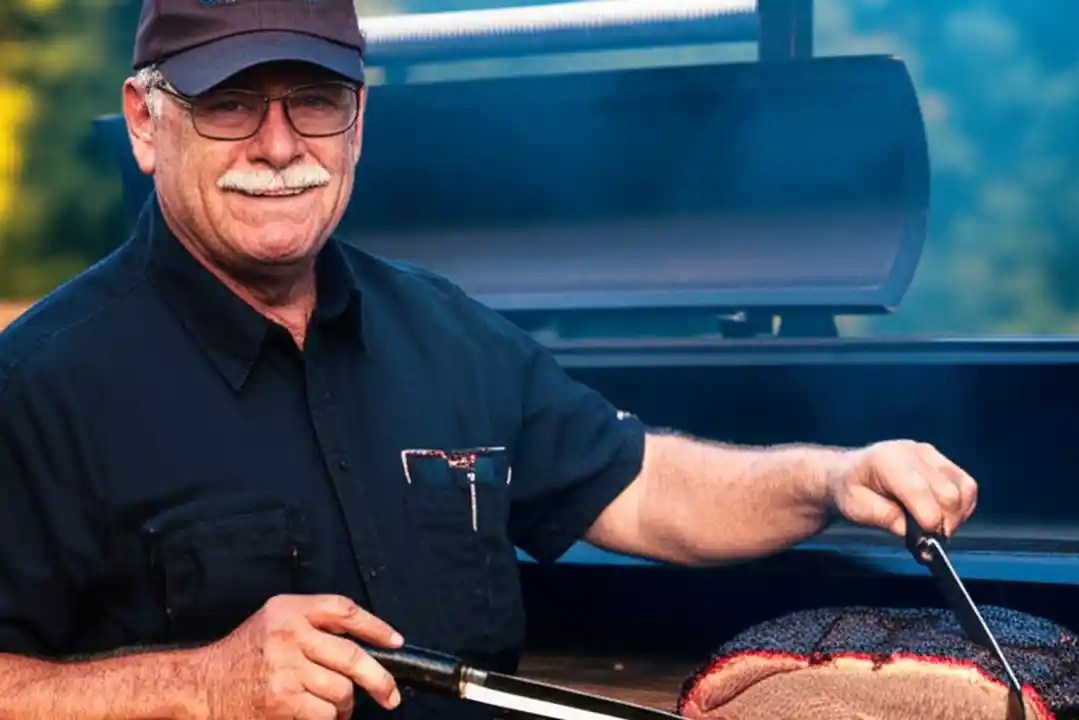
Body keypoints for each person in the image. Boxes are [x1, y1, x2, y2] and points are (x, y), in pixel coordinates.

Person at [0, 0, 979, 718]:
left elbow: (643, 486)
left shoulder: (441, 331)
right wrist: (200, 686)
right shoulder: (42, 385)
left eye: (315, 102)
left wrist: (832, 478)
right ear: (146, 122)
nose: (279, 145)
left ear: (359, 121)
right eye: (229, 104)